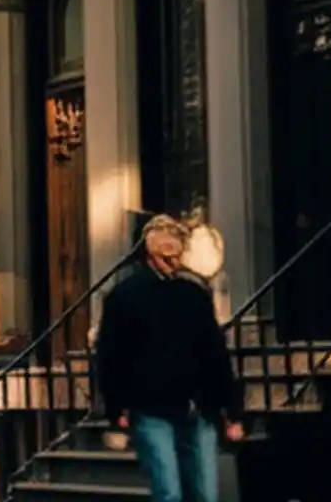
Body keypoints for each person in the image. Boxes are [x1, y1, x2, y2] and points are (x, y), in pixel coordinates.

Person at [96, 214, 245, 502]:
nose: (174, 263)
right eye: (166, 257)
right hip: (150, 408)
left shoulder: (194, 294)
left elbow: (215, 353)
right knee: (169, 493)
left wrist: (232, 410)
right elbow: (111, 356)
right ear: (149, 255)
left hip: (198, 407)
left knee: (205, 493)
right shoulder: (124, 297)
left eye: (177, 255)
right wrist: (116, 409)